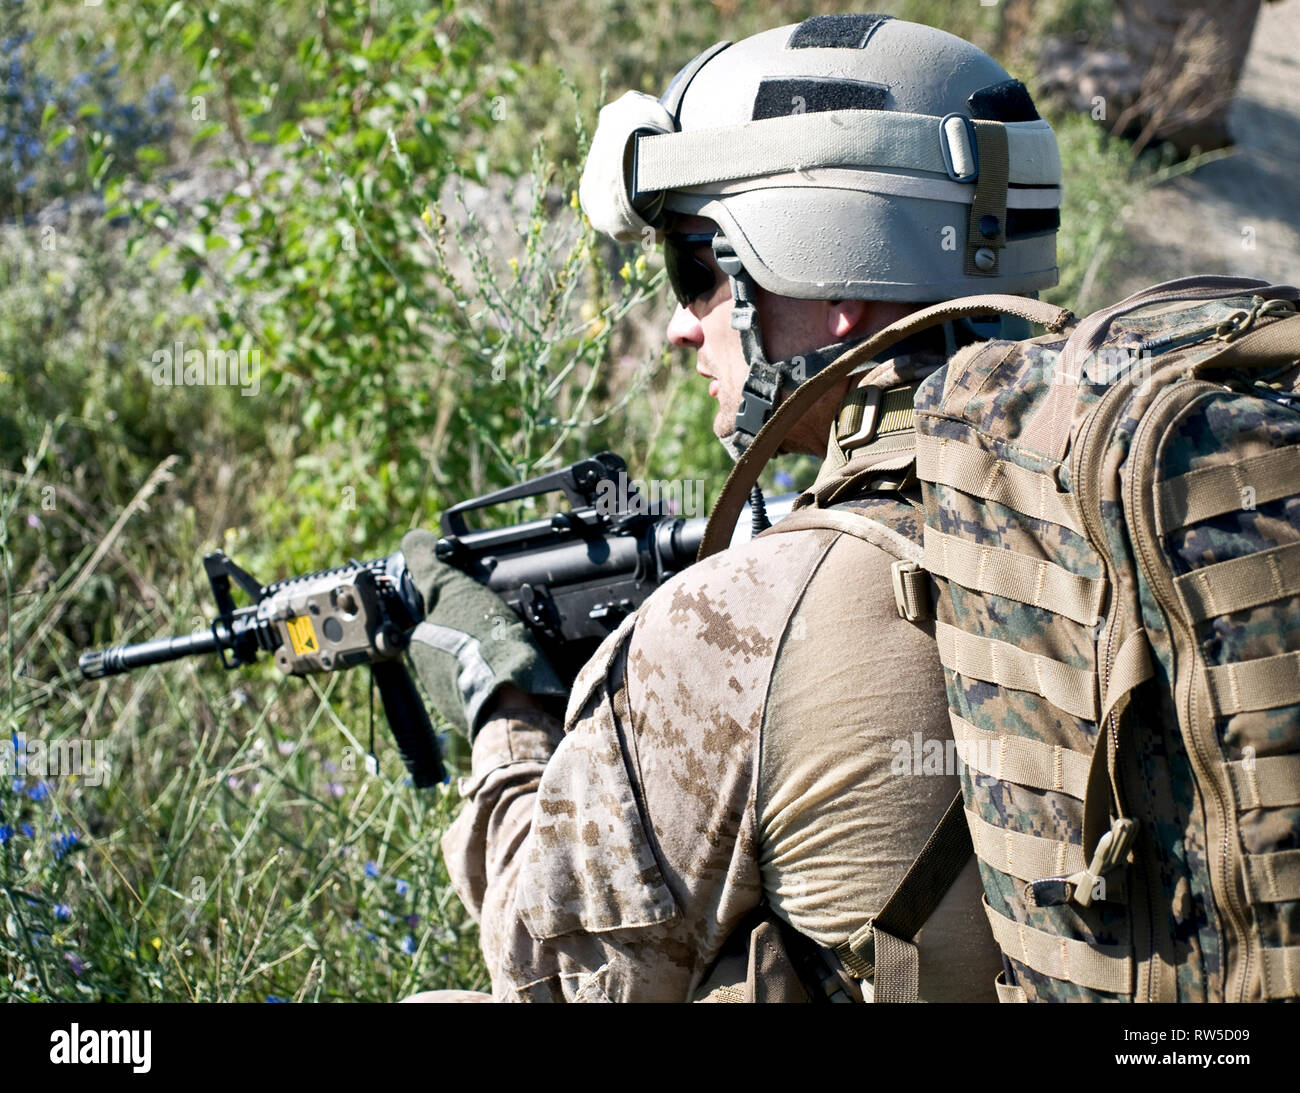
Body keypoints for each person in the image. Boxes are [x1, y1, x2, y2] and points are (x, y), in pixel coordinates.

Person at [401, 13, 1064, 1002]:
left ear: (829, 270)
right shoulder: (1123, 469)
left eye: (697, 267)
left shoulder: (734, 627)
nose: (678, 324)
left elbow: (545, 962)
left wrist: (504, 702)